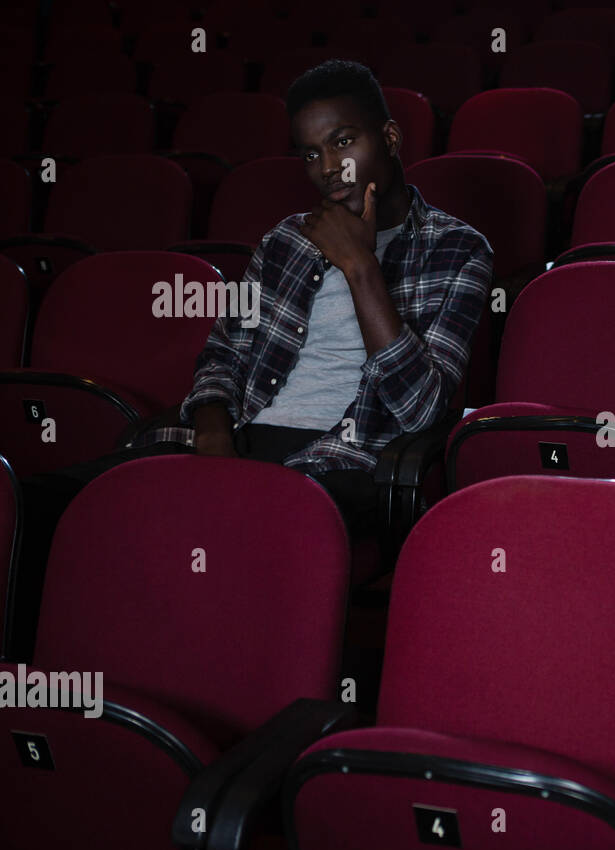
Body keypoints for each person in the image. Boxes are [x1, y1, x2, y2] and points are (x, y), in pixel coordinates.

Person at [8, 60, 494, 657]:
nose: (328, 169)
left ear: (389, 138)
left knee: (223, 536)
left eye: (344, 141)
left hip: (344, 455)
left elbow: (421, 411)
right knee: (38, 504)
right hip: (238, 435)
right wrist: (212, 429)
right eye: (310, 153)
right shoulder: (286, 240)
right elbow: (224, 351)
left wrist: (362, 268)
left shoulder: (459, 249)